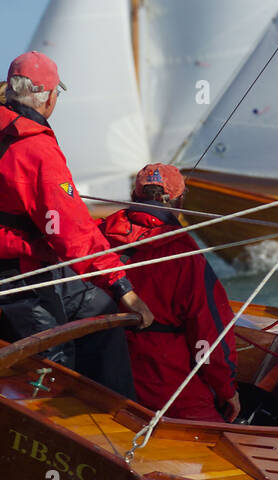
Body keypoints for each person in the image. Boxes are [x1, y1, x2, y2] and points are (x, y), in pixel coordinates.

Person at [0, 51, 153, 399]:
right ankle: (76, 431)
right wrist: (124, 287)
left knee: (98, 308)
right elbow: (73, 236)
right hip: (21, 281)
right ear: (49, 96)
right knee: (55, 361)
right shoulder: (37, 149)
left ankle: (118, 410)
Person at [96, 164, 241, 423]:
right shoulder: (186, 257)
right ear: (180, 201)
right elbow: (209, 334)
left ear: (133, 195)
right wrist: (226, 389)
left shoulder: (95, 234)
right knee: (216, 435)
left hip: (96, 363)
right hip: (158, 375)